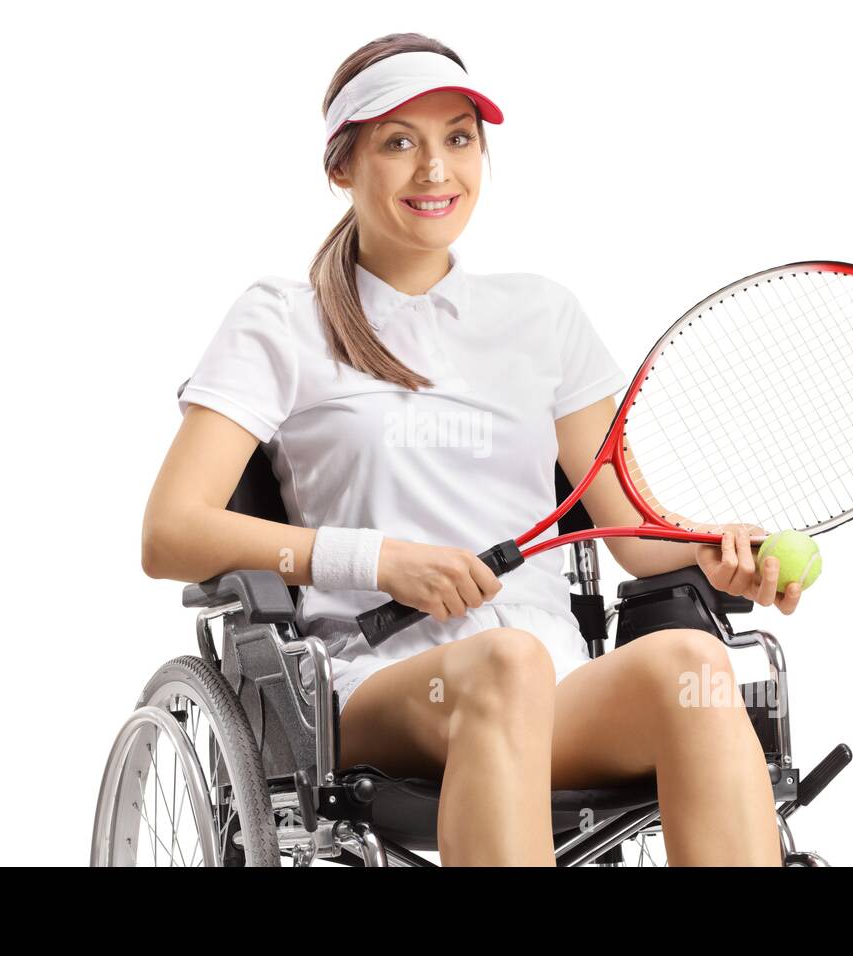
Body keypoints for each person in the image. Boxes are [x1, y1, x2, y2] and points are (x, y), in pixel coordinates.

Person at [143, 33, 802, 866]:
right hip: (382, 686)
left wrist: (722, 556)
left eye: (458, 138)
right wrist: (379, 560)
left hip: (557, 684)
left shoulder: (541, 317)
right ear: (341, 168)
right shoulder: (281, 322)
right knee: (504, 665)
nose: (434, 170)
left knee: (696, 668)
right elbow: (170, 533)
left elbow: (632, 536)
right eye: (399, 142)